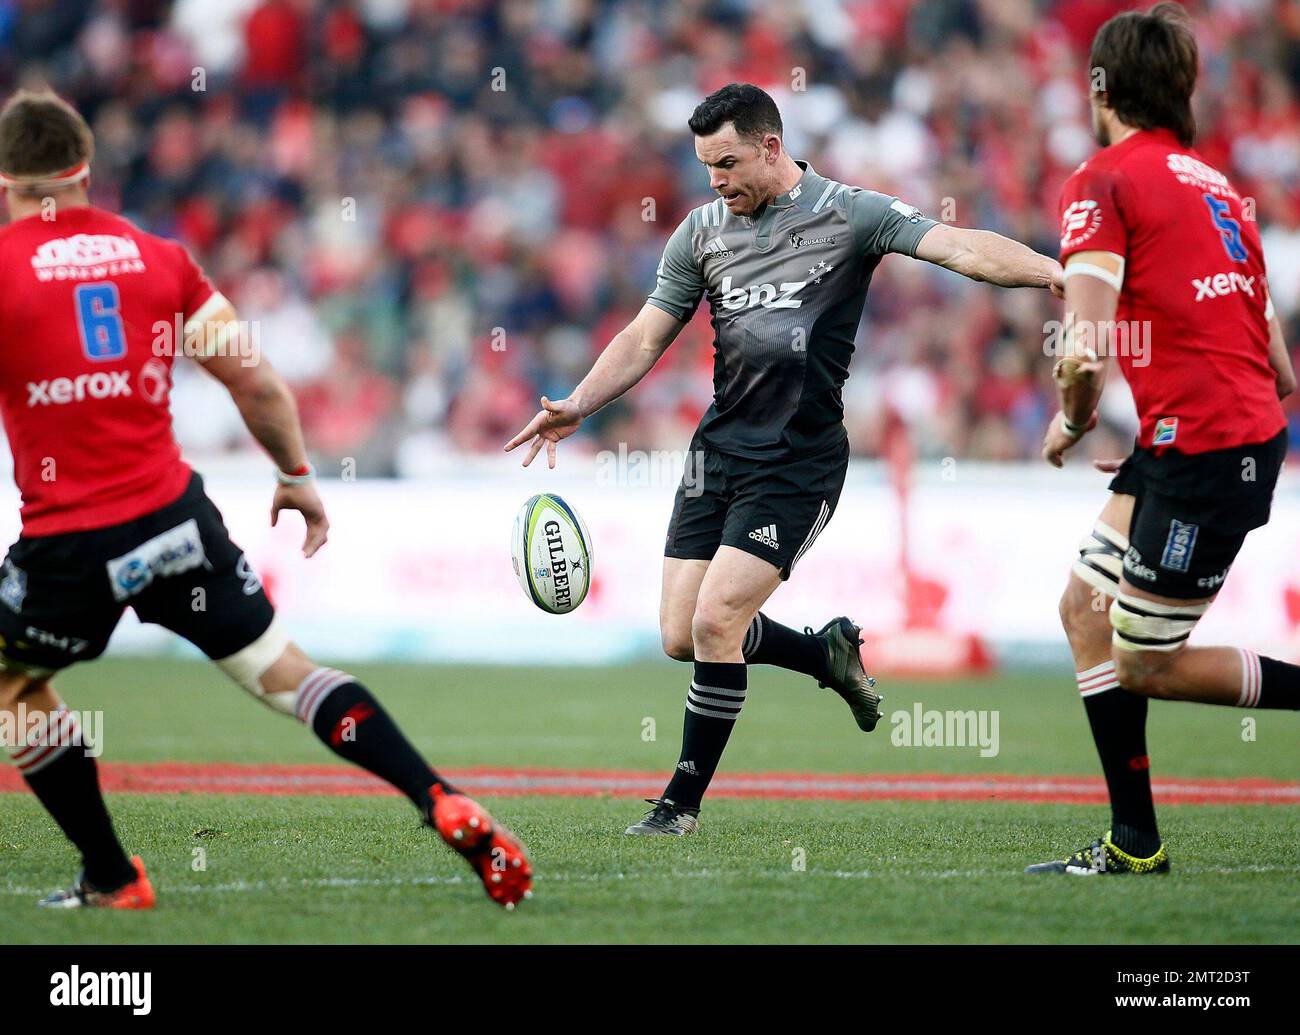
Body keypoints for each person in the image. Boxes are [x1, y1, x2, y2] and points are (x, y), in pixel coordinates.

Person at [0, 90, 530, 909]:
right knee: (285, 672)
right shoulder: (158, 258)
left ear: (8, 179)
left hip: (73, 540)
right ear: (84, 170)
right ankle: (437, 797)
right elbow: (253, 378)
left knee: (12, 685)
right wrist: (295, 474)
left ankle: (111, 875)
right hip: (178, 522)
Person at [507, 82, 1063, 836]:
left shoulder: (851, 213)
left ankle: (679, 803)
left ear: (771, 146)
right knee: (683, 635)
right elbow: (644, 336)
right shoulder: (700, 232)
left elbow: (960, 247)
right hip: (718, 452)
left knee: (716, 621)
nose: (717, 182)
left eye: (728, 163)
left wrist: (1061, 274)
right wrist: (578, 401)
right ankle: (825, 654)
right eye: (707, 167)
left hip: (798, 459)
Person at [1032, 3, 1299, 876]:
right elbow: (1281, 369)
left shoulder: (1102, 180)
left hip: (1207, 450)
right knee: (1083, 611)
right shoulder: (1219, 187)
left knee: (1142, 662)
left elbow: (1083, 348)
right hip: (1200, 438)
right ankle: (1134, 842)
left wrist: (1073, 420)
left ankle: (1138, 839)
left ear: (1100, 87)